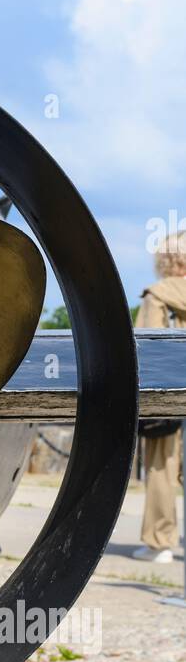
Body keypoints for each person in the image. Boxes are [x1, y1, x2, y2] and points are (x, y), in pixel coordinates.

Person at [133, 229, 186, 563]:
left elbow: (147, 348)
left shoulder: (158, 294)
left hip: (172, 391)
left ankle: (161, 542)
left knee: (162, 468)